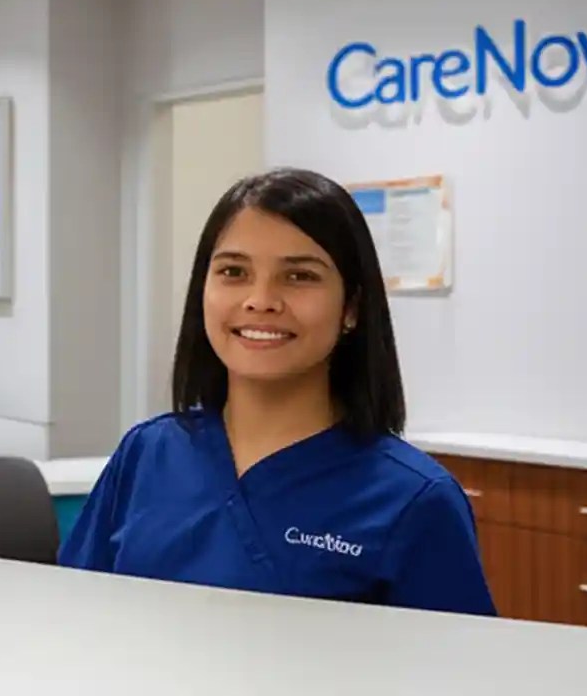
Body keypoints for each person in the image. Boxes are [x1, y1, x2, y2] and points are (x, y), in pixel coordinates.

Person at [59, 167, 495, 617]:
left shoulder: (413, 499)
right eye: (233, 271)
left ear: (351, 308)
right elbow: (75, 622)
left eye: (299, 276)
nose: (261, 299)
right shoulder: (147, 453)